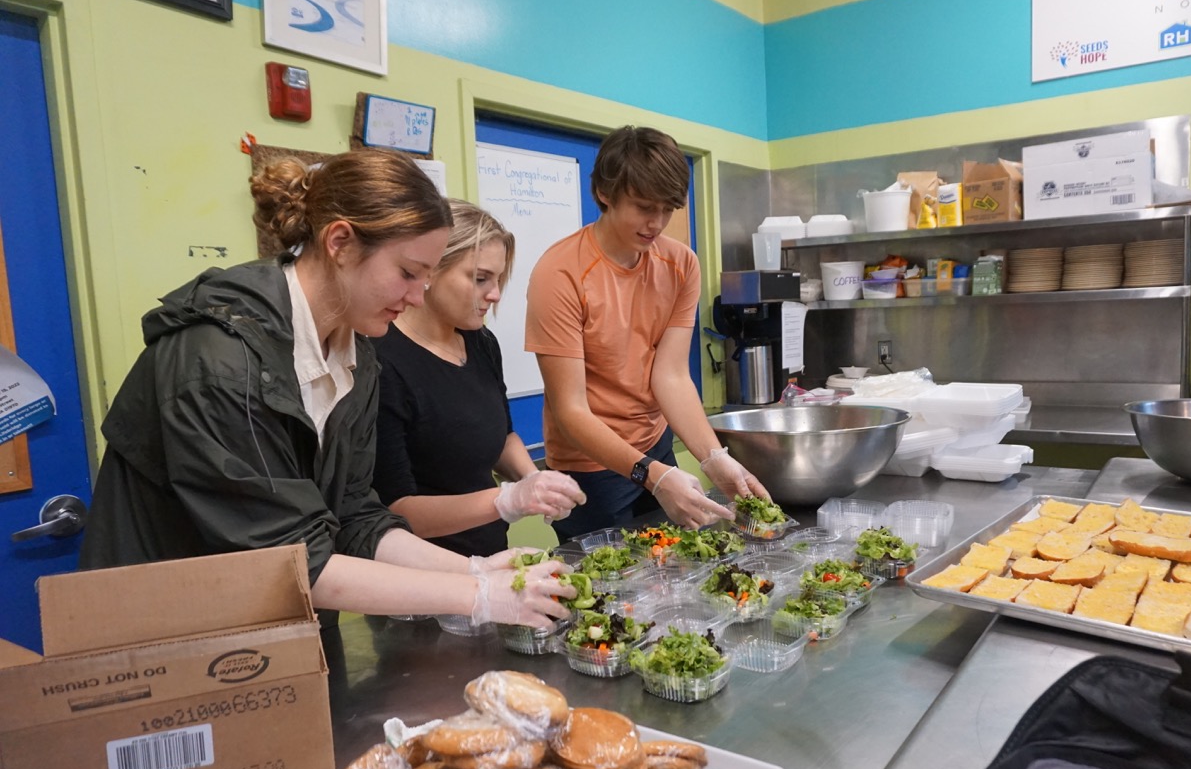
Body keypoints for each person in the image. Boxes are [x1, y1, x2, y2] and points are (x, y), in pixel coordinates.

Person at [79, 148, 572, 629]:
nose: (418, 295)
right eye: (407, 273)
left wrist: (477, 569)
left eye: (426, 277)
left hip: (276, 619)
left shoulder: (354, 355)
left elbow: (357, 517)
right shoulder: (219, 361)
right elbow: (288, 558)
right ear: (340, 243)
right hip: (167, 625)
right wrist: (479, 596)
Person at [525, 125, 769, 543]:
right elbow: (571, 410)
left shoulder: (680, 264)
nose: (656, 224)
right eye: (643, 208)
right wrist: (653, 478)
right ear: (604, 192)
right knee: (605, 594)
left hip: (656, 449)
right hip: (589, 468)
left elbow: (670, 375)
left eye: (667, 210)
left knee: (669, 579)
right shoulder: (560, 273)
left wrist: (713, 459)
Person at [372, 200, 585, 557]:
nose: (495, 294)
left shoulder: (480, 341)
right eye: (480, 278)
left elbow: (499, 435)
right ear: (430, 270)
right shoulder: (382, 361)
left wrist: (530, 478)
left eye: (499, 279)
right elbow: (397, 511)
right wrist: (505, 500)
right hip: (421, 572)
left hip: (488, 551)